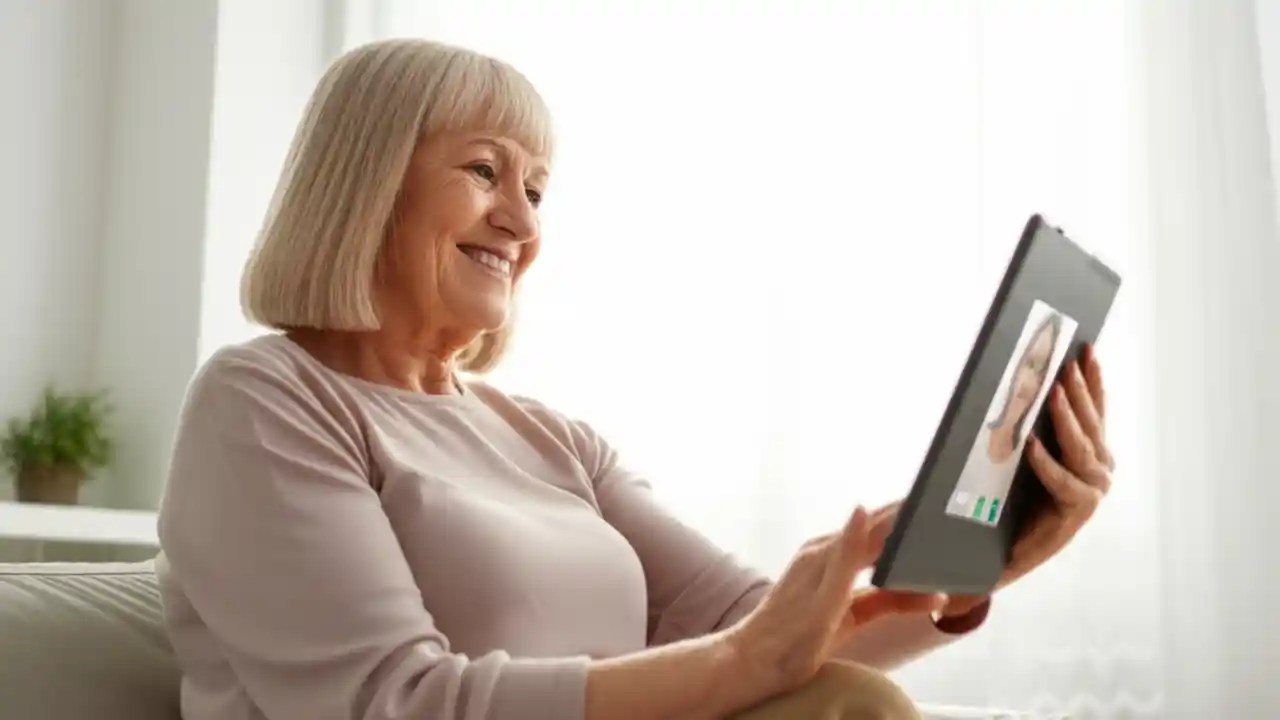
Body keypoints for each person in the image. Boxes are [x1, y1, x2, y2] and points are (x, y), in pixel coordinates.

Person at [155, 39, 1117, 720]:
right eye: (485, 172)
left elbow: (762, 631)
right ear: (364, 185)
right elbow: (392, 704)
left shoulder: (550, 439)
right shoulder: (267, 401)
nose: (523, 225)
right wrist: (746, 660)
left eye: (536, 190)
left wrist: (986, 565)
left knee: (842, 696)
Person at [948, 311, 1067, 525]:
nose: (1030, 383)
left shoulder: (1033, 470)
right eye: (1030, 364)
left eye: (1043, 372)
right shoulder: (969, 441)